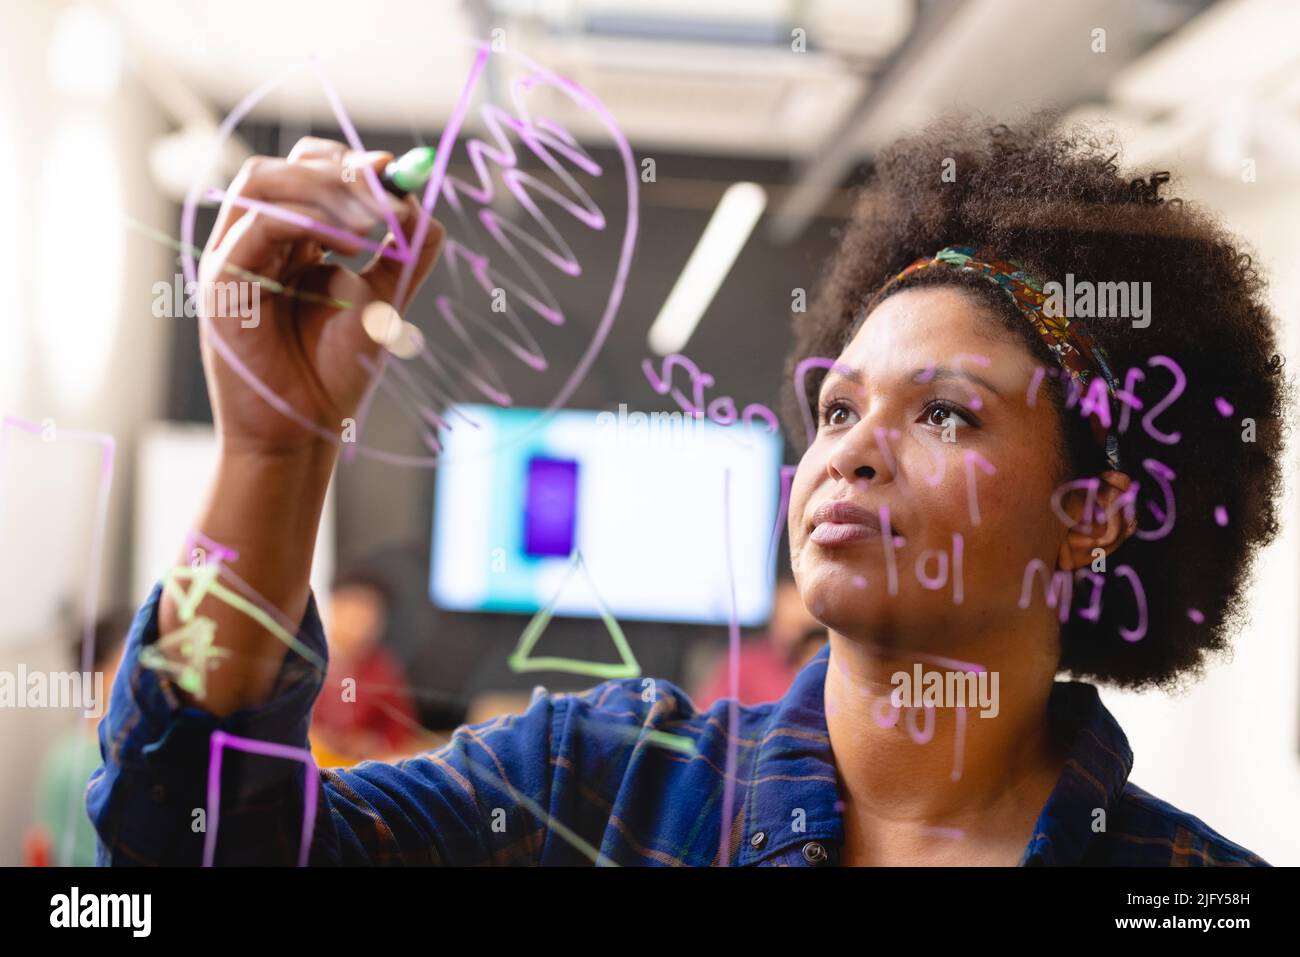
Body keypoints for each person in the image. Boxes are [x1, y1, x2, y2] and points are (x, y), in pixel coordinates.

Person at [89, 118, 1287, 865]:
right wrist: (273, 458)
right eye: (835, 408)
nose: (849, 453)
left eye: (942, 412)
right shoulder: (590, 785)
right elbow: (184, 838)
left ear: (1089, 515)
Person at [309, 569, 420, 762]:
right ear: (335, 605)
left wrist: (375, 743)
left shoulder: (383, 667)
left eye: (373, 613)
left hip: (360, 772)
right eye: (357, 609)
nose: (364, 622)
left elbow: (402, 728)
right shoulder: (304, 658)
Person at [692, 573, 825, 709]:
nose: (790, 636)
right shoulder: (744, 662)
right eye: (786, 624)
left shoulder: (829, 667)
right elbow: (706, 714)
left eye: (801, 627)